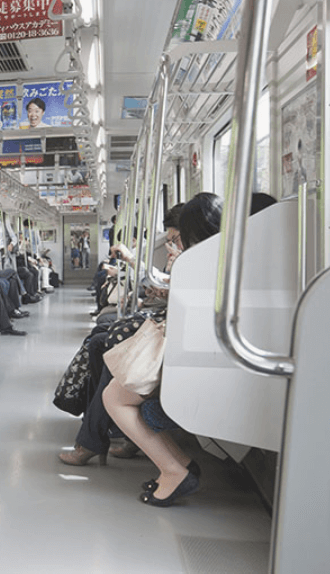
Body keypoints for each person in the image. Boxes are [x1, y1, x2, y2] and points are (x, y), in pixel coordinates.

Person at [88, 194, 224, 507]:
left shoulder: (202, 261)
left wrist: (179, 276)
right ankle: (179, 464)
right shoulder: (224, 254)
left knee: (114, 395)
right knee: (108, 356)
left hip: (199, 354)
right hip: (199, 346)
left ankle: (174, 470)